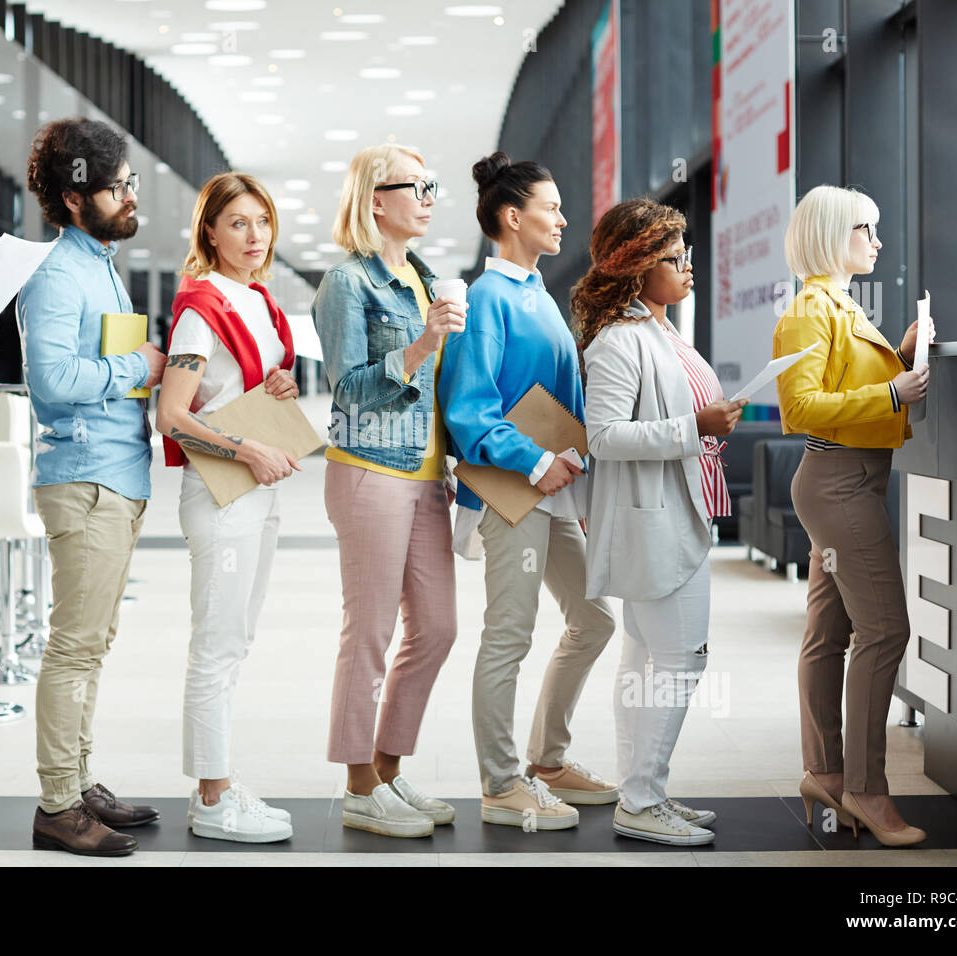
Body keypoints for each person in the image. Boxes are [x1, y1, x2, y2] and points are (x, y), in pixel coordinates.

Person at [439, 152, 619, 831]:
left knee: (594, 617)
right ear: (513, 217)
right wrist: (537, 459)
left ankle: (548, 759)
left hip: (551, 490)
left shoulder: (536, 292)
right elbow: (469, 410)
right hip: (513, 492)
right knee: (508, 636)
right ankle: (500, 783)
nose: (563, 217)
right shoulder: (487, 299)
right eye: (551, 206)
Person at [18, 117, 166, 857]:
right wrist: (140, 367)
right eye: (117, 188)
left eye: (130, 183)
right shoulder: (55, 275)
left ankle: (77, 784)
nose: (130, 197)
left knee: (92, 643)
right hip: (84, 483)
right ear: (76, 200)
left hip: (118, 477)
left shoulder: (101, 265)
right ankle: (56, 805)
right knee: (73, 648)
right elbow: (51, 380)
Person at [576, 198, 742, 846]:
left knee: (647, 659)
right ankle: (642, 800)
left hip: (683, 511)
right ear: (637, 267)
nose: (687, 266)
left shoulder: (663, 331)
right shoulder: (621, 340)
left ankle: (642, 792)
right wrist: (693, 428)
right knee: (680, 659)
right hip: (660, 522)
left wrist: (708, 424)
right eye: (672, 258)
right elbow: (604, 436)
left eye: (687, 254)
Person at [312, 144, 465, 838]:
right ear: (377, 199)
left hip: (429, 476)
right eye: (418, 186)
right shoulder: (349, 283)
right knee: (369, 631)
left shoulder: (429, 277)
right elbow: (345, 395)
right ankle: (357, 784)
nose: (430, 196)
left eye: (434, 186)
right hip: (370, 468)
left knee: (437, 626)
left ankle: (389, 770)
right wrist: (418, 348)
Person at [775, 184, 933, 847]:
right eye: (864, 229)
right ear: (830, 235)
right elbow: (800, 408)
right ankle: (866, 790)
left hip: (848, 479)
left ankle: (826, 773)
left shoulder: (838, 306)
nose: (876, 241)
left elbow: (846, 388)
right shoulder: (811, 311)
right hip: (839, 481)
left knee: (829, 630)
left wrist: (898, 357)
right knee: (886, 630)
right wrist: (894, 386)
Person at [155, 172, 299, 843]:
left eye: (262, 222)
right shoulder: (198, 307)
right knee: (215, 646)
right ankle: (211, 799)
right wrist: (245, 449)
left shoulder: (258, 299)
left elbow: (234, 385)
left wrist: (277, 382)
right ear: (209, 230)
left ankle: (220, 778)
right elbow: (172, 415)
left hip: (255, 492)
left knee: (235, 641)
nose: (254, 236)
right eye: (238, 222)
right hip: (221, 493)